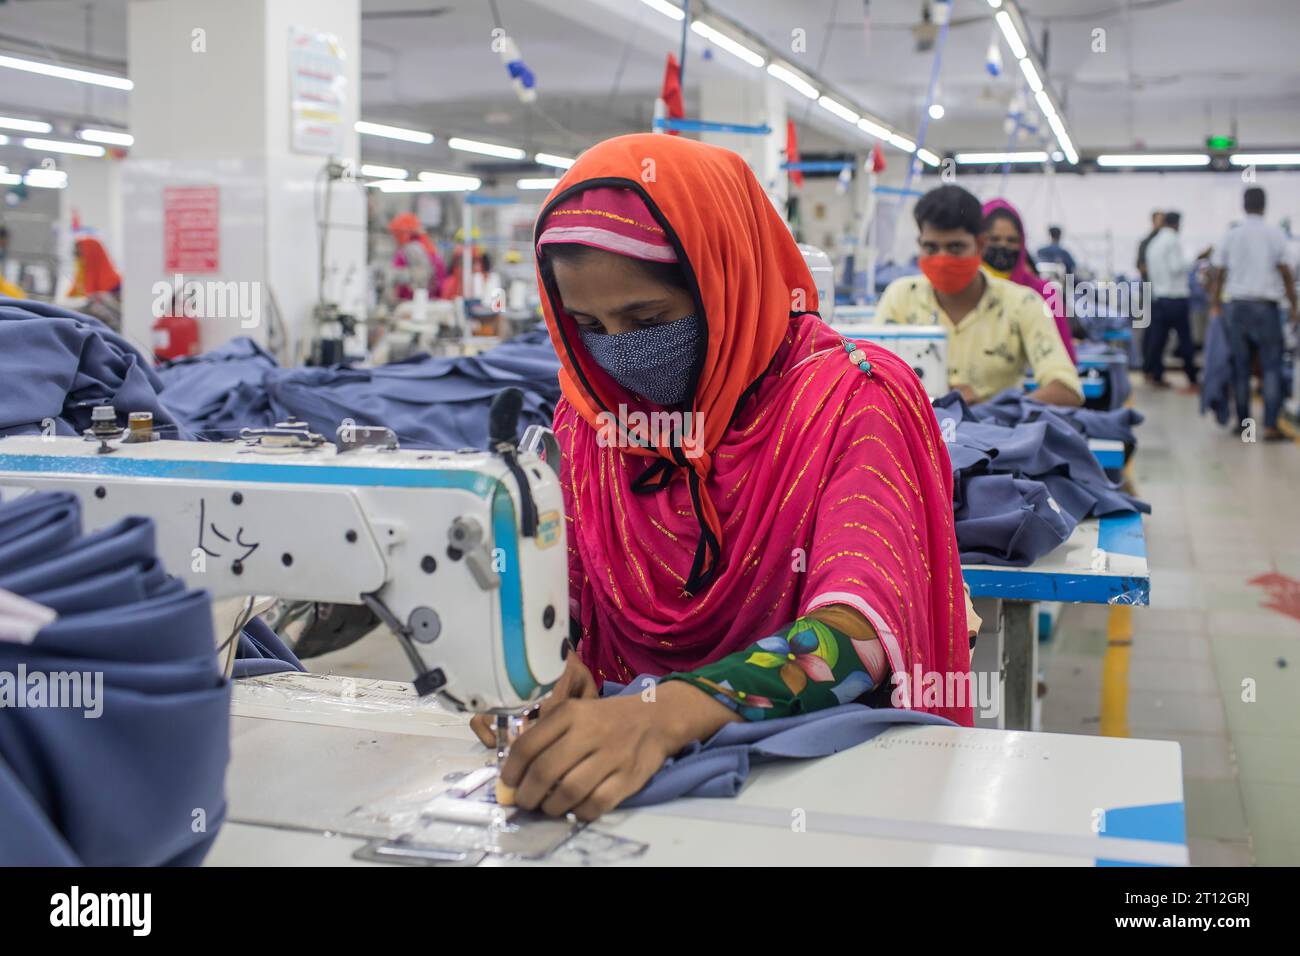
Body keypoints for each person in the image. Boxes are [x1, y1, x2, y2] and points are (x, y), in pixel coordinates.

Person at [471, 133, 974, 820]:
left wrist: (662, 714)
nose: (617, 354)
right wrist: (535, 672)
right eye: (587, 325)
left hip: (815, 791)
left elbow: (858, 635)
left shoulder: (855, 400)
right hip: (619, 783)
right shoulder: (593, 419)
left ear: (725, 280)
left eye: (647, 321)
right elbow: (568, 594)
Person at [875, 185, 1082, 406]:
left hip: (994, 436)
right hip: (915, 434)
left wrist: (989, 410)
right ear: (919, 245)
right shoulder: (901, 298)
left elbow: (1067, 389)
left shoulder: (1022, 304)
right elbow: (869, 380)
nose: (942, 258)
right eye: (931, 248)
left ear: (980, 245)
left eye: (955, 248)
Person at [1210, 187, 1299, 441]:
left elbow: (1218, 272)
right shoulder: (1275, 234)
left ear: (1244, 204)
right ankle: (1270, 425)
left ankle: (1244, 424)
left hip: (1236, 307)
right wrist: (1294, 306)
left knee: (1241, 367)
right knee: (1271, 366)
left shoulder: (1232, 235)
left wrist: (1215, 304)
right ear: (1264, 205)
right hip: (1265, 307)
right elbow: (1286, 272)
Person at [981, 198, 1078, 362]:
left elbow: (1065, 359)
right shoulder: (965, 292)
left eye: (1011, 240)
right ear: (979, 241)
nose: (1003, 246)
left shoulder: (1046, 293)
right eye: (995, 239)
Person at [1143, 211, 1198, 389]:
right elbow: (1176, 267)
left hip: (1158, 298)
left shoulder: (1154, 243)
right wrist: (1196, 260)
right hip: (1175, 298)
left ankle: (1155, 374)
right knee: (1185, 340)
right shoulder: (1172, 240)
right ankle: (1192, 378)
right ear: (1176, 224)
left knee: (1158, 341)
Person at [67, 233, 123, 331]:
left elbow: (119, 320)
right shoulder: (84, 281)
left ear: (92, 255)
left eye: (81, 255)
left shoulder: (115, 284)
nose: (80, 261)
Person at [386, 212, 447, 302]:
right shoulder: (430, 248)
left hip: (414, 302)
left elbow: (399, 279)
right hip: (434, 300)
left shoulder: (408, 249)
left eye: (396, 234)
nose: (394, 238)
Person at [1136, 210, 1164, 280]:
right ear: (1153, 221)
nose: (1163, 223)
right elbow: (1141, 266)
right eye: (1160, 220)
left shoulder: (1168, 242)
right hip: (1149, 284)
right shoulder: (1146, 243)